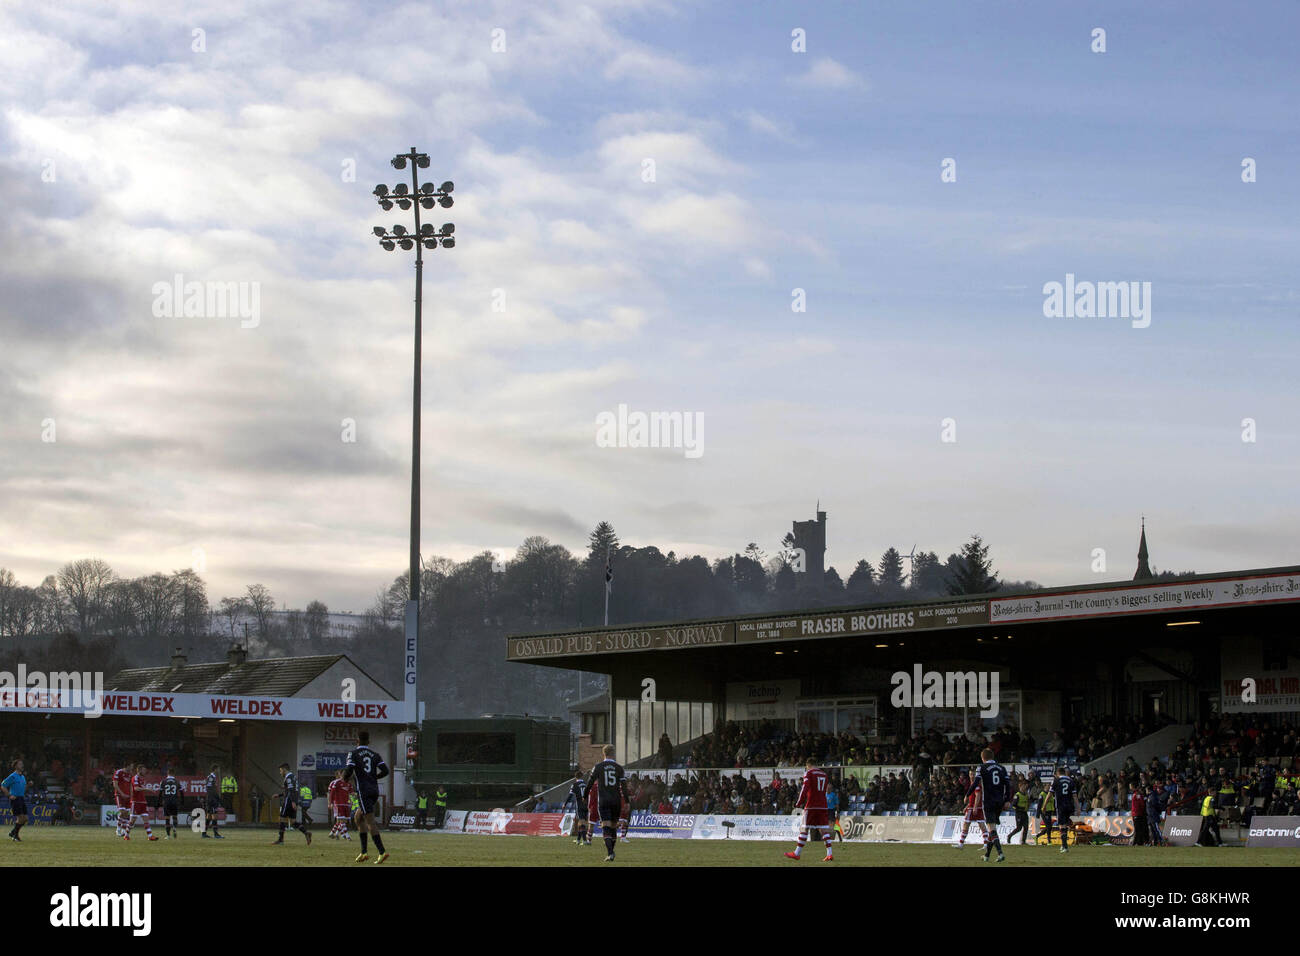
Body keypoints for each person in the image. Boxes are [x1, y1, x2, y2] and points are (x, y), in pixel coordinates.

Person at [343, 730, 388, 863]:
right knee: (358, 817)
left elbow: (349, 769)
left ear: (357, 741)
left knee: (370, 821)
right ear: (369, 742)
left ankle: (382, 851)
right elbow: (386, 771)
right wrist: (374, 777)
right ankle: (364, 852)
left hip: (363, 790)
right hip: (374, 790)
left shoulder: (353, 753)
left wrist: (345, 778)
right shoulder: (375, 755)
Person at [586, 744, 629, 862]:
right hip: (616, 800)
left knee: (606, 826)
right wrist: (627, 802)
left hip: (604, 800)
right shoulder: (619, 768)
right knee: (614, 827)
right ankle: (611, 852)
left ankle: (610, 853)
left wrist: (584, 796)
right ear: (613, 753)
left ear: (603, 753)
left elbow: (589, 783)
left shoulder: (598, 767)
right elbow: (624, 787)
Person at [785, 758, 834, 862]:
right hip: (823, 805)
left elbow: (805, 788)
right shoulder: (824, 774)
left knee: (804, 828)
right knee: (823, 830)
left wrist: (799, 802)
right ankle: (829, 854)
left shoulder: (809, 773)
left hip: (811, 805)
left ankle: (797, 853)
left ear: (808, 765)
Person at [971, 749, 1009, 862]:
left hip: (988, 802)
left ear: (983, 758)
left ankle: (1000, 853)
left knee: (991, 829)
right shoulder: (1001, 768)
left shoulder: (982, 768)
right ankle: (987, 855)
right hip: (999, 802)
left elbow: (976, 783)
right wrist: (1007, 799)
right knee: (992, 830)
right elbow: (1008, 784)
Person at [272, 762, 311, 846]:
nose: (280, 772)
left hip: (289, 800)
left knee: (282, 818)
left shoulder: (289, 777)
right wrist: (279, 795)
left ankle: (281, 840)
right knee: (293, 821)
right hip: (293, 800)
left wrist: (292, 801)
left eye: (281, 770)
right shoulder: (293, 777)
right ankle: (306, 832)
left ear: (284, 769)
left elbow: (291, 790)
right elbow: (290, 790)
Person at [124, 764, 158, 842]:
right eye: (143, 770)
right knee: (132, 821)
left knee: (146, 819)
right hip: (135, 802)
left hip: (143, 802)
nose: (145, 771)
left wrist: (145, 790)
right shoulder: (135, 778)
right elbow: (136, 788)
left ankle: (150, 836)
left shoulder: (142, 779)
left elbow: (140, 790)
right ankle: (126, 835)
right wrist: (148, 789)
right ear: (139, 770)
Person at [1050, 766, 1078, 854]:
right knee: (1064, 825)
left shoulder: (1056, 781)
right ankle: (1063, 845)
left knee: (1062, 826)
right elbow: (1075, 796)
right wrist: (1078, 807)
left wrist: (1044, 805)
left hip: (1060, 806)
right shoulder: (1071, 781)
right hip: (1069, 806)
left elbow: (1050, 794)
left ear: (1058, 773)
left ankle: (1065, 847)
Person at [1, 760, 28, 842]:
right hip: (15, 799)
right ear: (15, 766)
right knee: (20, 818)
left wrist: (28, 785)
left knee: (25, 818)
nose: (22, 765)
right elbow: (3, 785)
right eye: (20, 764)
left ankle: (13, 832)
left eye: (22, 764)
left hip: (21, 798)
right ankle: (15, 836)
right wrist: (9, 795)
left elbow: (24, 789)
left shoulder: (22, 777)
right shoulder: (12, 776)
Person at [565, 771, 589, 846]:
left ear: (576, 777)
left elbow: (570, 795)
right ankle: (578, 840)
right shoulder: (586, 784)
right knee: (582, 823)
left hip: (579, 805)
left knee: (581, 823)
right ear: (582, 776)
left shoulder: (574, 785)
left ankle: (584, 840)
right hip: (586, 805)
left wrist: (565, 804)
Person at [327, 769, 352, 840]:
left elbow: (350, 793)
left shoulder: (348, 783)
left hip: (345, 804)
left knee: (341, 821)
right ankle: (346, 836)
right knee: (341, 820)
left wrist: (351, 799)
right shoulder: (334, 783)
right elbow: (330, 793)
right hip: (337, 803)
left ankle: (335, 833)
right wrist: (330, 803)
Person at [158, 769, 183, 839]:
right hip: (174, 801)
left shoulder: (163, 781)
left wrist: (158, 802)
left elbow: (160, 793)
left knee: (167, 818)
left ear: (167, 773)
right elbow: (181, 792)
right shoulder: (177, 781)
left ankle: (168, 835)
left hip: (166, 801)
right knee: (175, 817)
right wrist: (182, 801)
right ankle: (174, 828)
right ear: (174, 773)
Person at [202, 764, 223, 839]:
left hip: (210, 799)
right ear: (215, 769)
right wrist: (217, 798)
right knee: (214, 816)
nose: (219, 771)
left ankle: (204, 833)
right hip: (212, 799)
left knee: (209, 816)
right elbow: (210, 789)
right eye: (218, 769)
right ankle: (216, 834)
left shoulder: (212, 777)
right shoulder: (211, 778)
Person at [1008, 780, 1031, 845]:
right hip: (1019, 813)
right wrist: (1020, 808)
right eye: (1023, 786)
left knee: (1026, 827)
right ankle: (1009, 836)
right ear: (1020, 787)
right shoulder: (1017, 795)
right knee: (1019, 828)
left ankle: (1023, 841)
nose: (1024, 787)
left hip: (1024, 813)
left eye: (1025, 786)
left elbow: (1028, 802)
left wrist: (1028, 806)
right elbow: (1013, 805)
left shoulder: (1026, 795)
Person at [112, 765, 133, 838]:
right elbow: (115, 784)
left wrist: (131, 795)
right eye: (131, 766)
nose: (131, 768)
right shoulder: (118, 772)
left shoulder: (130, 774)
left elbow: (131, 785)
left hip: (128, 796)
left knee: (126, 814)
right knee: (122, 812)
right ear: (126, 765)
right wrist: (122, 793)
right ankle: (118, 829)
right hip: (119, 795)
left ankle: (124, 830)